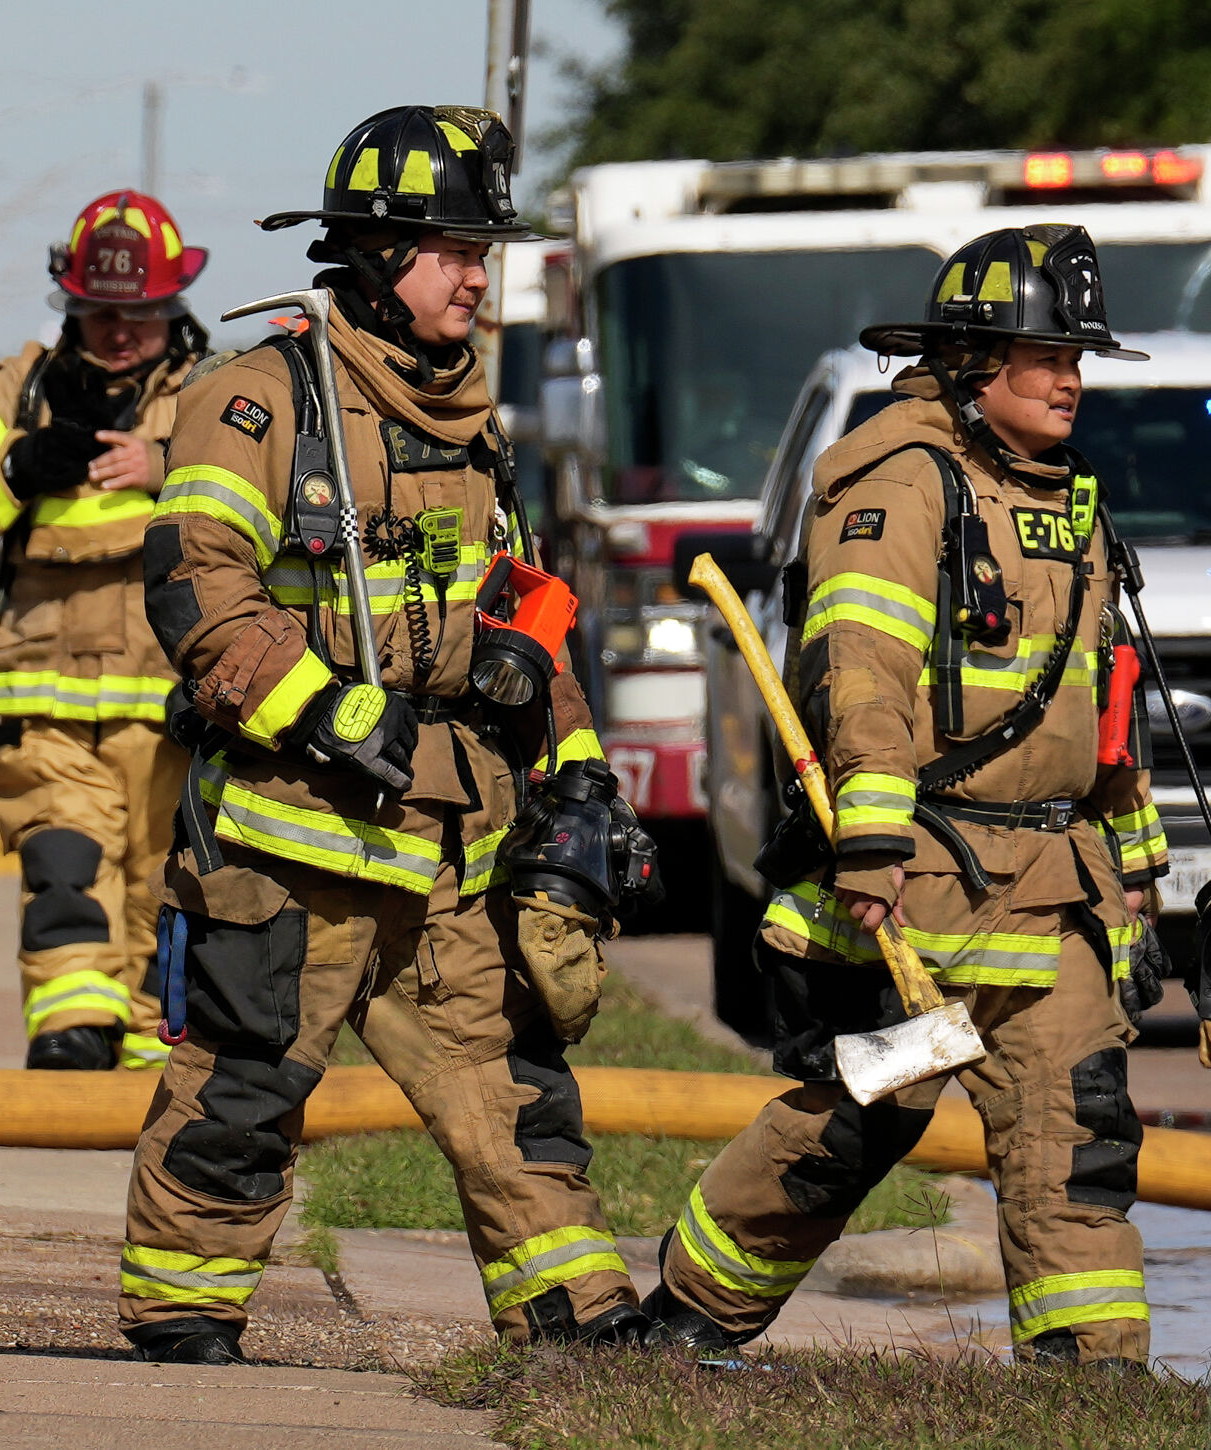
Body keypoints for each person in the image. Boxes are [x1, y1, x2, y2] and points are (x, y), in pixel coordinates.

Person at [116, 105, 657, 1366]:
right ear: (373, 254)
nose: (476, 277)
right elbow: (197, 586)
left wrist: (576, 763)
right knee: (244, 1087)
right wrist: (327, 708)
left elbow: (524, 610)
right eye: (453, 251)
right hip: (293, 837)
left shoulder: (473, 421)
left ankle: (577, 1317)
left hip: (453, 842)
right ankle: (181, 1318)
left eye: (482, 252)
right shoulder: (257, 400)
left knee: (513, 1083)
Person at [645, 224, 1168, 1369]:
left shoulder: (1068, 502)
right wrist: (871, 846)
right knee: (854, 1121)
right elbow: (862, 680)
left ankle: (1092, 1376)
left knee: (1076, 1134)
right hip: (913, 886)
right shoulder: (898, 485)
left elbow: (1099, 709)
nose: (1070, 381)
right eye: (1047, 357)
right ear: (976, 364)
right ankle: (688, 1318)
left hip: (1051, 891)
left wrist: (1132, 870)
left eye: (1077, 360)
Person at [0, 191, 208, 1072]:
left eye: (141, 314)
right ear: (73, 303)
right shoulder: (26, 386)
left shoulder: (213, 396)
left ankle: (158, 1067)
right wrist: (16, 459)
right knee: (65, 872)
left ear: (172, 306)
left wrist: (166, 464)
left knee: (169, 889)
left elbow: (278, 477)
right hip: (42, 700)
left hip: (172, 709)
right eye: (102, 312)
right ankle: (71, 1036)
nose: (121, 332)